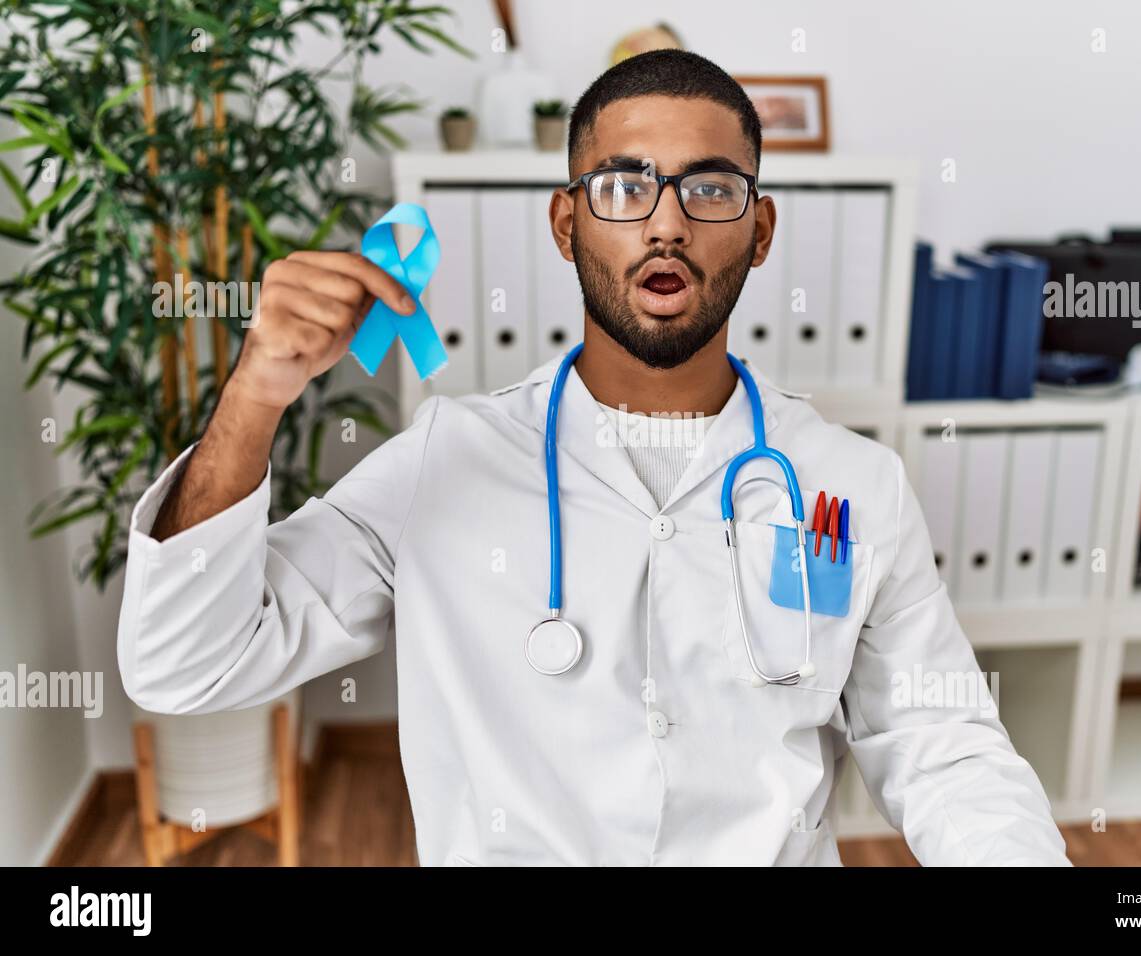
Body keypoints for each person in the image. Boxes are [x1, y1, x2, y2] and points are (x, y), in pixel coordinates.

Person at [118, 49, 1070, 866]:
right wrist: (253, 396)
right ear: (568, 224)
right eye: (623, 185)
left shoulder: (852, 486)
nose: (666, 224)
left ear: (761, 228)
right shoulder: (442, 463)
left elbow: (944, 744)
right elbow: (181, 664)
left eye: (709, 188)